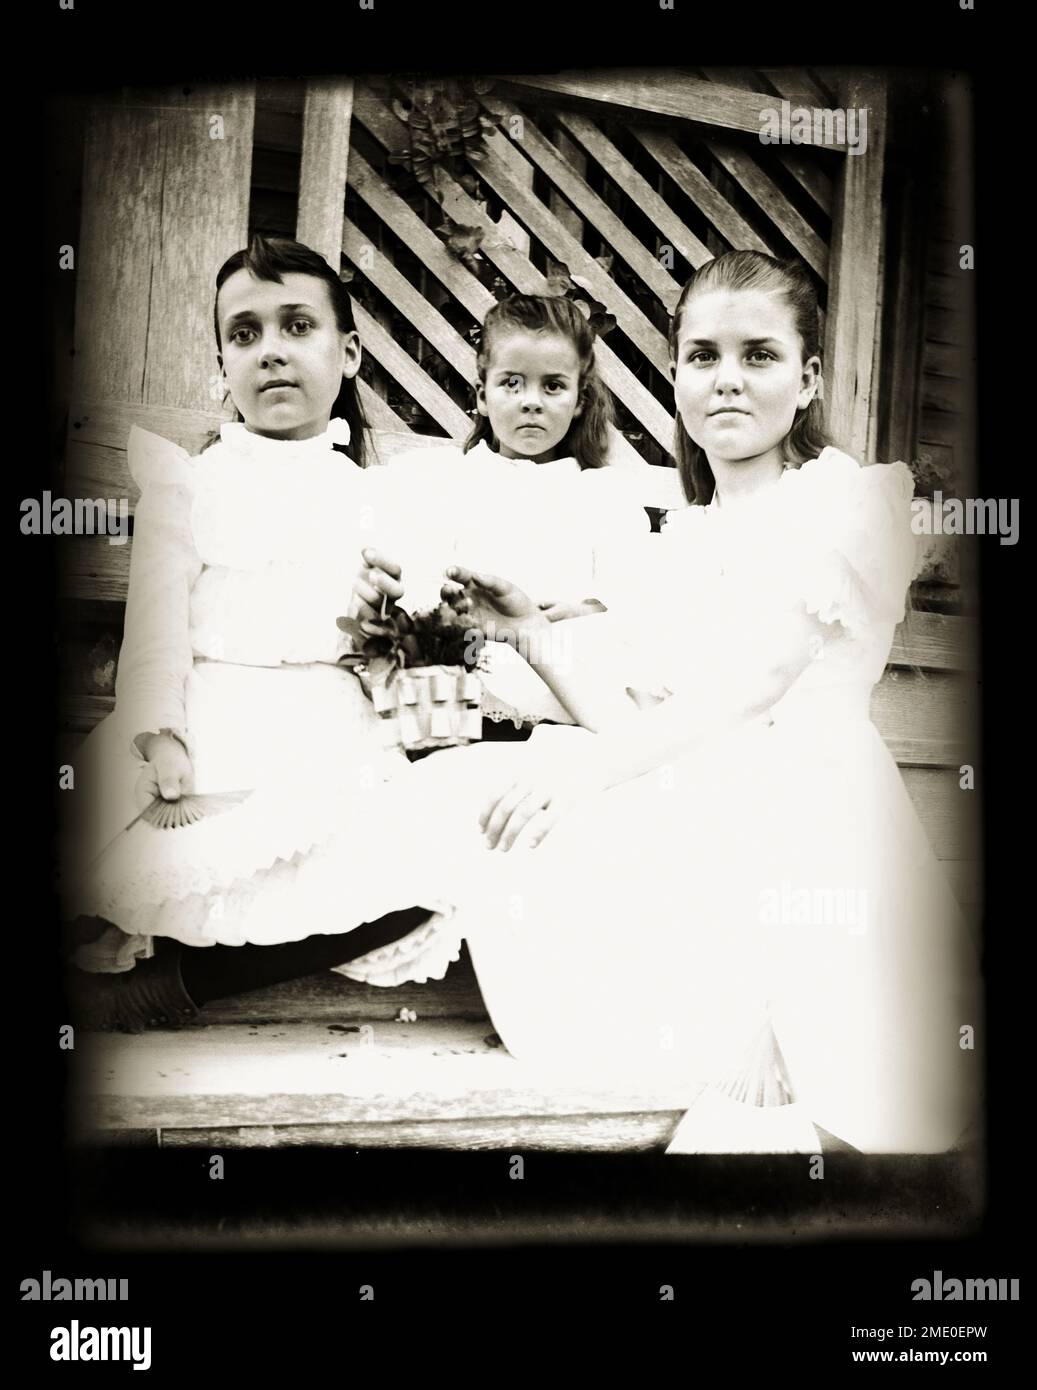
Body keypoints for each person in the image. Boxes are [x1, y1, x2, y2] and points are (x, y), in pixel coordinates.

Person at [352, 250, 982, 1152]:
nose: (726, 380)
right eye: (702, 356)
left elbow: (751, 689)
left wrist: (586, 775)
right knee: (479, 784)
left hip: (810, 827)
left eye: (757, 356)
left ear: (806, 381)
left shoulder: (845, 504)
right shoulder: (679, 541)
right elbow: (635, 725)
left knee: (811, 1105)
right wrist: (526, 625)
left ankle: (772, 1031)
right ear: (677, 374)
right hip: (698, 808)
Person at [61, 235, 452, 1031]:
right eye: (246, 334)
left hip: (332, 735)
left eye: (296, 326)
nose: (271, 351)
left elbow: (401, 660)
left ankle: (175, 986)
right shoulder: (191, 485)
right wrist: (156, 732)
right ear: (223, 364)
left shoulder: (379, 496)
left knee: (425, 883)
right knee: (135, 867)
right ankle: (130, 964)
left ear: (348, 354)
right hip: (216, 720)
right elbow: (157, 634)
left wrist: (392, 622)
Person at [370, 292, 652, 732]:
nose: (531, 401)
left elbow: (632, 594)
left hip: (566, 695)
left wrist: (588, 607)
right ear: (482, 395)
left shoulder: (602, 495)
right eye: (512, 383)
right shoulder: (448, 484)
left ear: (579, 399)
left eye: (553, 386)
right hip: (463, 695)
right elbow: (420, 581)